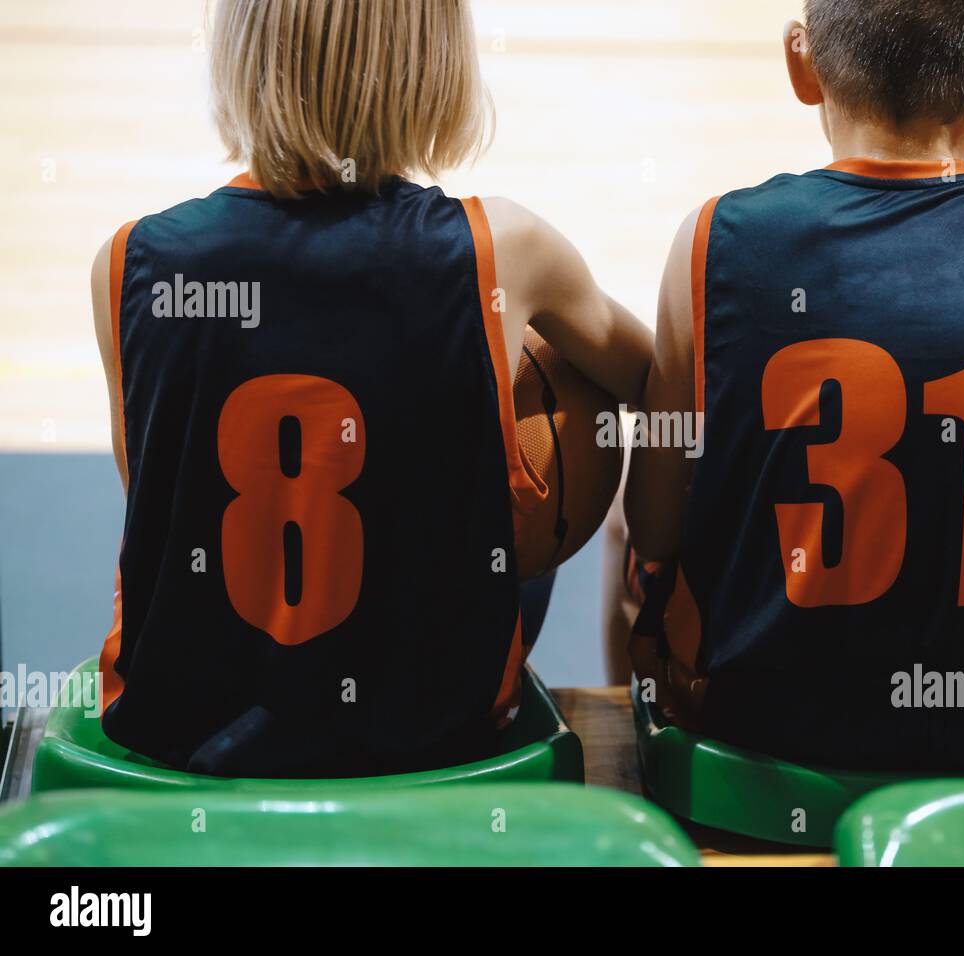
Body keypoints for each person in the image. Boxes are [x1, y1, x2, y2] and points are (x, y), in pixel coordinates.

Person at [90, 0, 651, 777]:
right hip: (435, 733)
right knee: (533, 463)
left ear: (239, 55)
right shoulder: (504, 248)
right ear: (438, 69)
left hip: (180, 731)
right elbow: (662, 376)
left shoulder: (127, 262)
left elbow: (147, 493)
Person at [623, 0, 964, 772]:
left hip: (761, 742)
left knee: (638, 528)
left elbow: (653, 531)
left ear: (800, 63)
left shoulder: (709, 239)